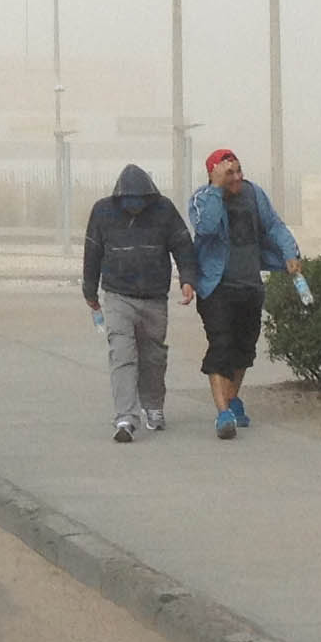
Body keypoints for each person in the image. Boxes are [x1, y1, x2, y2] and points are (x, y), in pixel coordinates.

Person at [189, 148, 303, 440]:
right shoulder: (202, 199)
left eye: (239, 170)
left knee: (243, 350)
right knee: (221, 346)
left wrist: (289, 253)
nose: (237, 177)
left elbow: (274, 225)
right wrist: (217, 189)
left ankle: (232, 399)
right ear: (214, 174)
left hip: (250, 284)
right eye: (230, 172)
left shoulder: (254, 194)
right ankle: (223, 413)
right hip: (216, 287)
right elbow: (207, 227)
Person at [82, 164, 198, 443]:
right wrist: (90, 291)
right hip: (118, 296)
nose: (135, 206)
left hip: (155, 297)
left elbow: (182, 245)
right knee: (122, 355)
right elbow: (92, 251)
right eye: (129, 201)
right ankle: (125, 417)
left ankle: (154, 406)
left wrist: (187, 278)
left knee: (153, 358)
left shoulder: (164, 210)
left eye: (140, 200)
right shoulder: (102, 211)